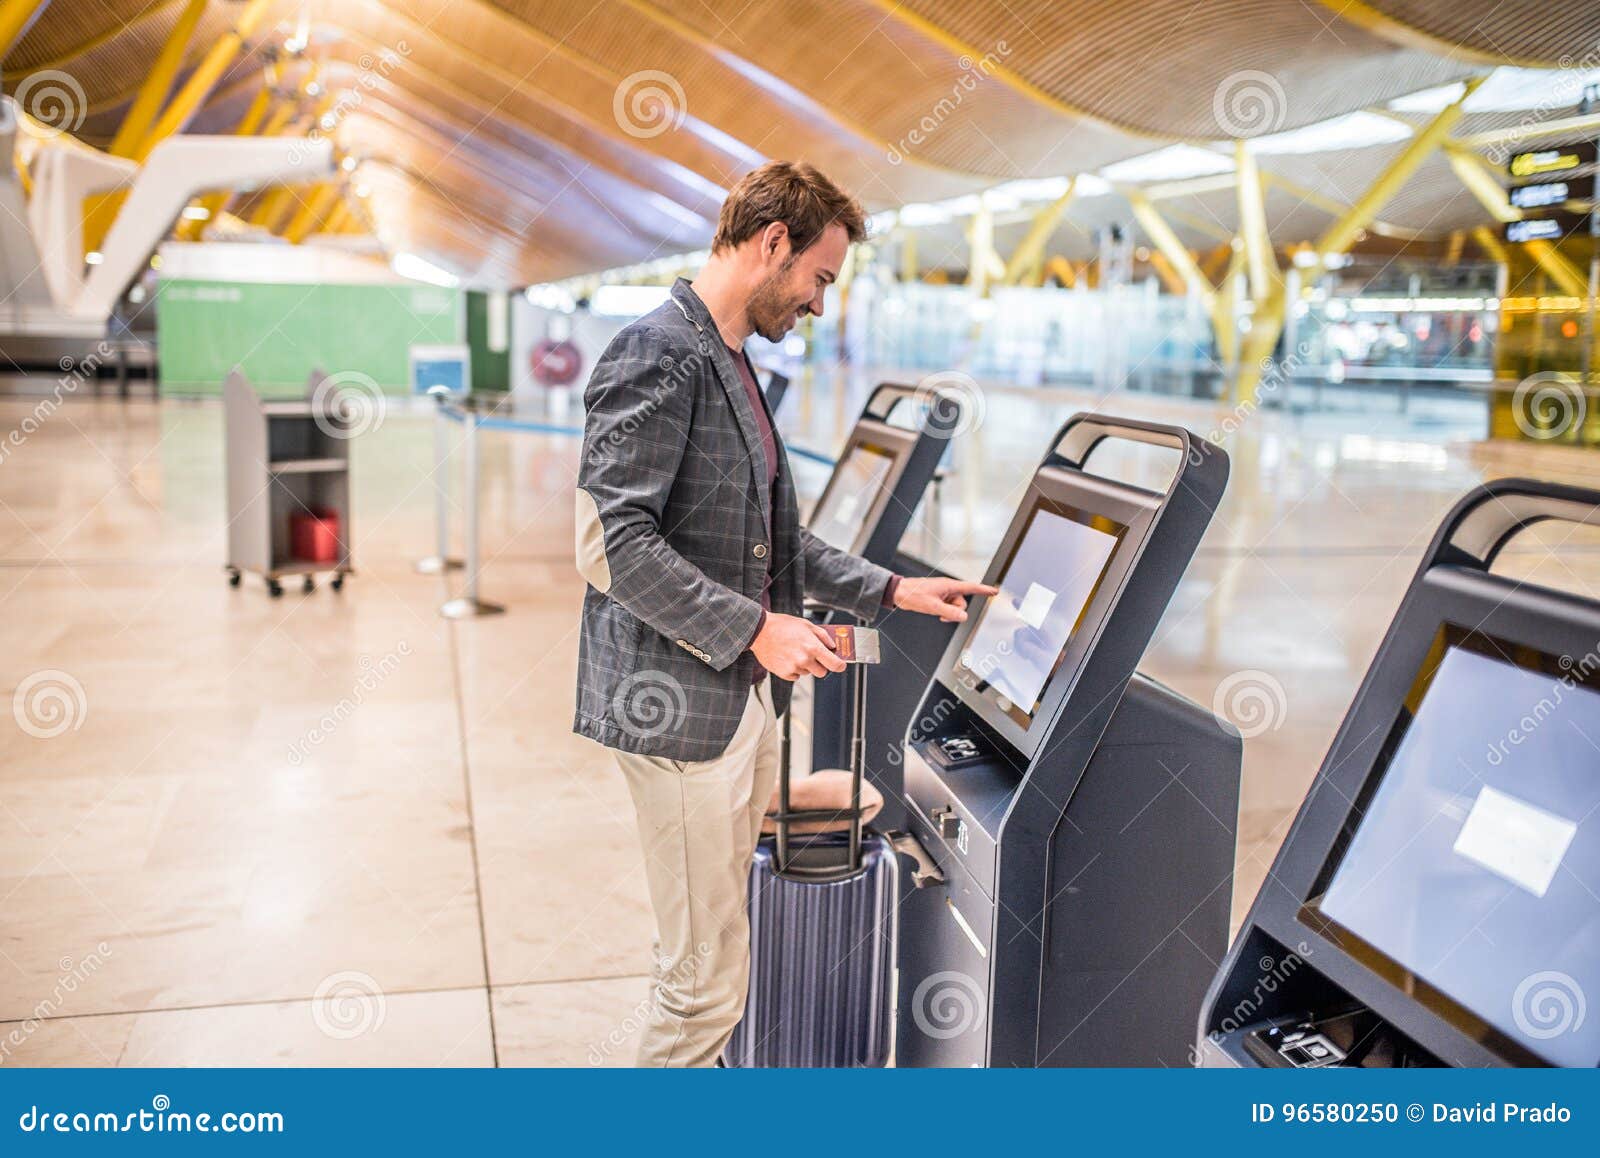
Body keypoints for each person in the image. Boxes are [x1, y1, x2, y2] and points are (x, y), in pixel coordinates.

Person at [573, 160, 993, 1067]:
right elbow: (612, 543)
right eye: (819, 277)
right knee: (700, 988)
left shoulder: (730, 364)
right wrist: (758, 628)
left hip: (733, 702)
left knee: (718, 955)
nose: (818, 302)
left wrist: (892, 590)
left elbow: (775, 544)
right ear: (773, 245)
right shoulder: (659, 352)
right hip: (678, 707)